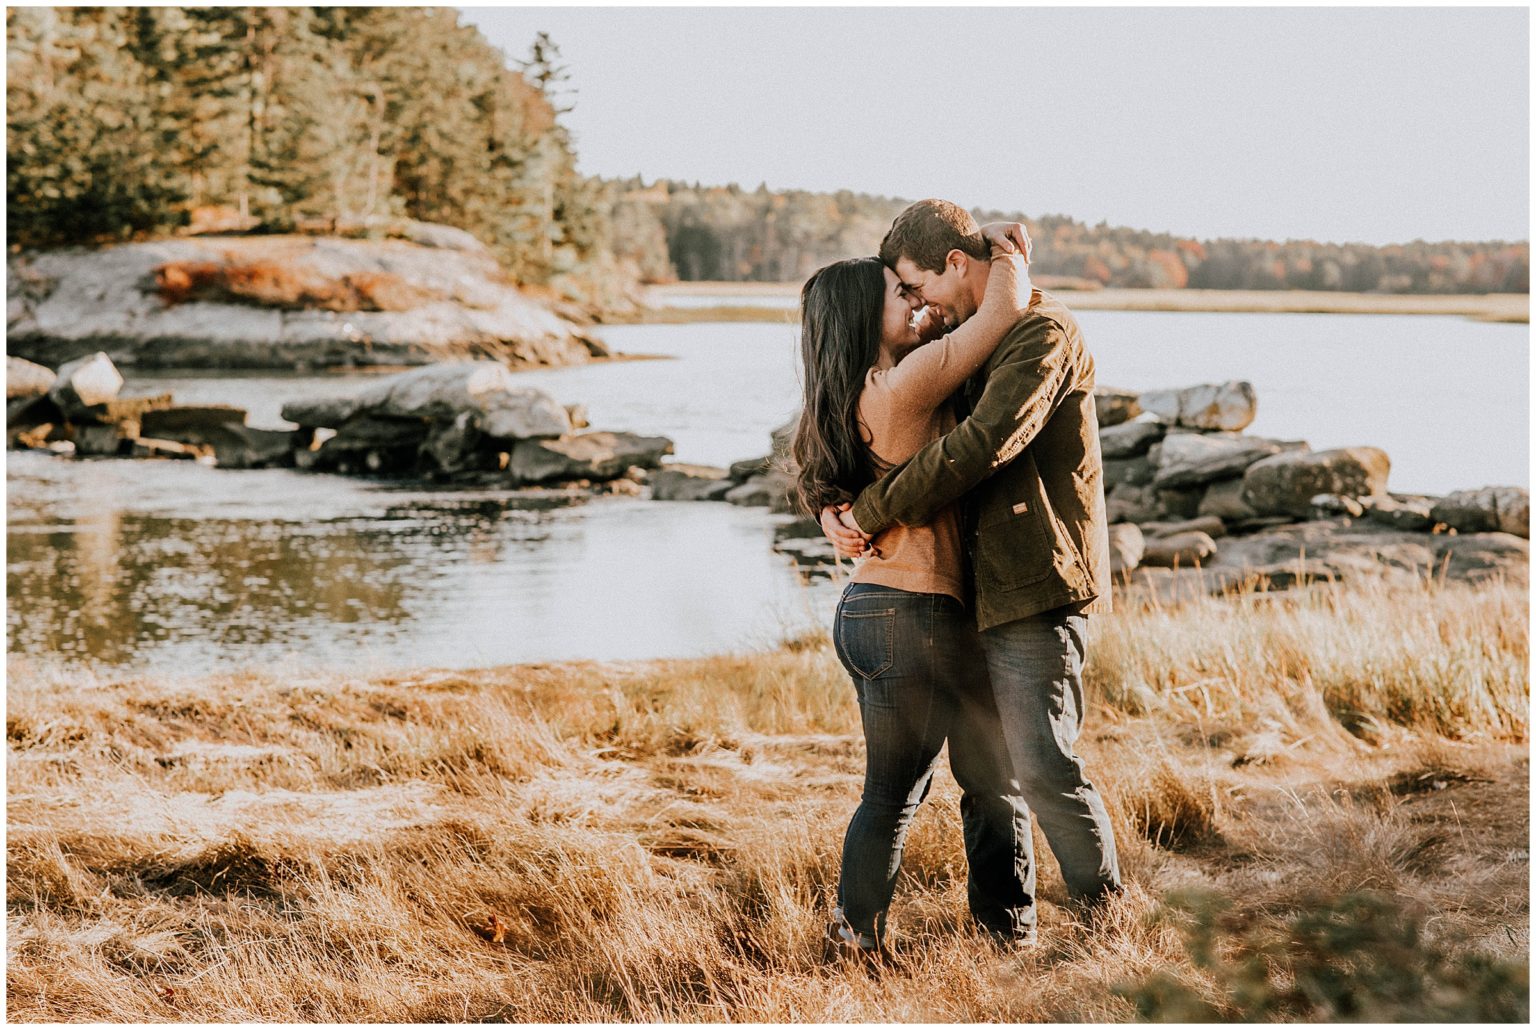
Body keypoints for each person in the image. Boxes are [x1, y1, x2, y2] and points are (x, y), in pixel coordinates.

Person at [820, 199, 1123, 937]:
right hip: (967, 601)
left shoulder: (1045, 333)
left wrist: (866, 514)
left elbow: (982, 443)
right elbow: (860, 433)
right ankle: (1004, 929)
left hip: (1033, 587)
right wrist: (827, 501)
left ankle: (1104, 919)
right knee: (986, 779)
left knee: (1042, 765)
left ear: (958, 265)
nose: (919, 306)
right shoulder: (958, 341)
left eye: (919, 288)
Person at [790, 220, 1038, 960]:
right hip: (916, 613)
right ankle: (859, 937)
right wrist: (1006, 254)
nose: (916, 302)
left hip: (871, 610)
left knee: (908, 791)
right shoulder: (903, 386)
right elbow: (1001, 315)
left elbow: (816, 472)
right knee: (912, 793)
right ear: (868, 319)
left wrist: (828, 509)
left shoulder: (845, 399)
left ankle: (863, 934)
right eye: (900, 294)